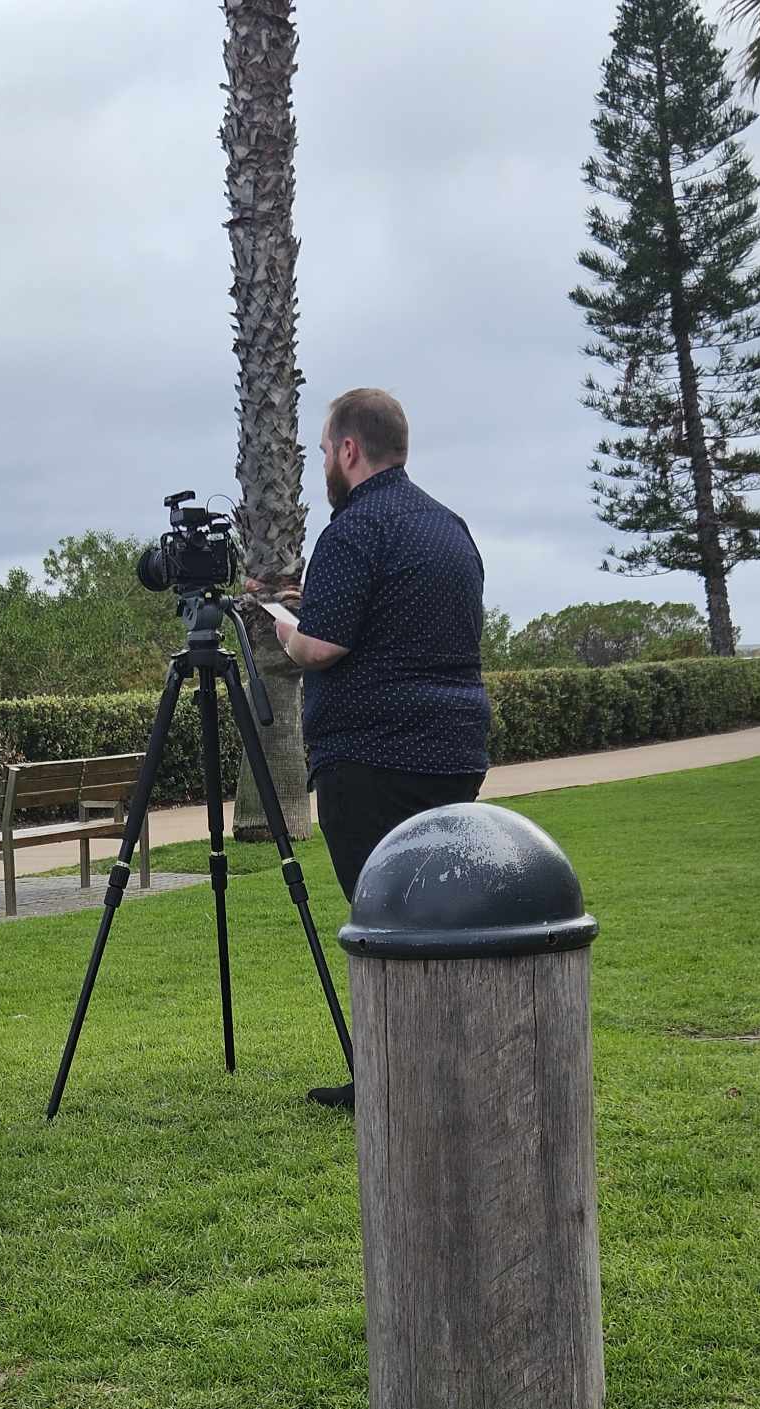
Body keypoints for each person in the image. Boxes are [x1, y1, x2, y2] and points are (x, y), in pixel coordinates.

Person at [257, 388, 490, 1110]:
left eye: (326, 450)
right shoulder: (447, 526)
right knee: (435, 913)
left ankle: (391, 1082)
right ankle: (447, 1062)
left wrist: (284, 628)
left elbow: (321, 646)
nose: (325, 463)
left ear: (350, 450)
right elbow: (401, 619)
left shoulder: (354, 528)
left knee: (382, 916)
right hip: (455, 749)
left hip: (372, 755)